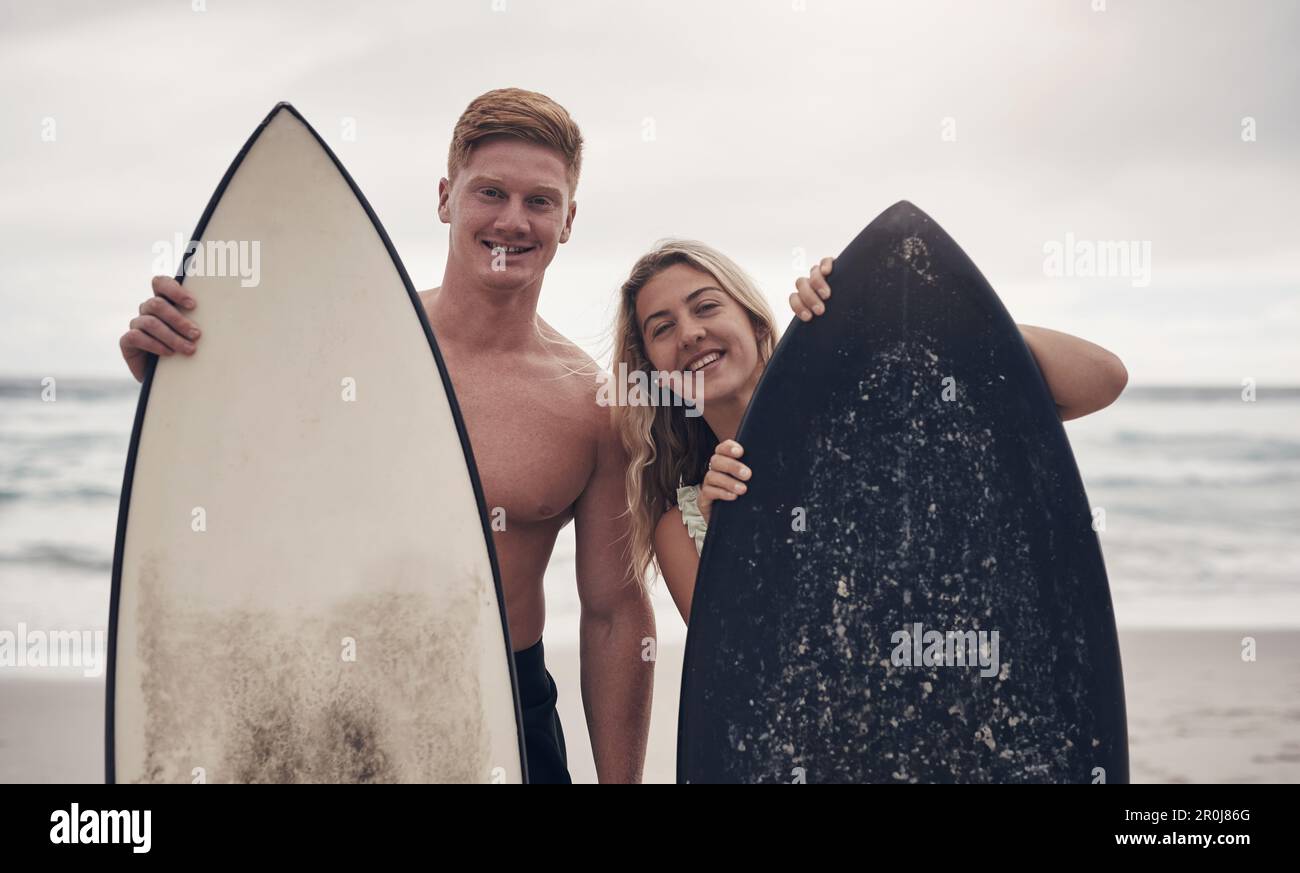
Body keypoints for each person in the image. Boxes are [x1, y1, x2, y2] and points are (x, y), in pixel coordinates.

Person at [118, 89, 656, 784]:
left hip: (502, 705)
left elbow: (612, 611)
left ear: (569, 219)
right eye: (490, 192)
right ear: (445, 198)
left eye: (540, 201)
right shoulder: (337, 345)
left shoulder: (590, 404)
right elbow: (235, 473)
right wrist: (172, 387)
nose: (513, 221)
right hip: (328, 694)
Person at [609, 240, 1129, 622]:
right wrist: (732, 537)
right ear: (653, 371)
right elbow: (732, 675)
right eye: (662, 328)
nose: (691, 333)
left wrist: (890, 316)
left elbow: (1100, 380)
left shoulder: (874, 413)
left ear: (756, 322)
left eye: (706, 307)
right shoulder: (687, 524)